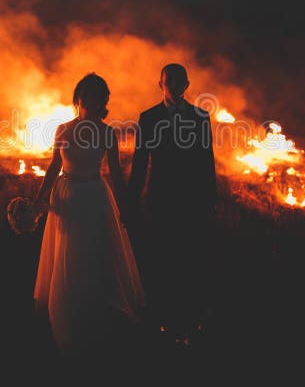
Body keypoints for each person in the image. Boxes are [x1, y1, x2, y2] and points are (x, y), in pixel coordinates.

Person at [32, 73, 145, 355]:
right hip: (67, 194)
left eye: (96, 95)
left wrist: (126, 206)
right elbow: (53, 165)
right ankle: (66, 309)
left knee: (93, 253)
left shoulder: (108, 133)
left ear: (102, 101)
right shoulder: (63, 129)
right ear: (78, 97)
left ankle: (95, 313)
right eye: (85, 93)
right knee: (66, 255)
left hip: (94, 196)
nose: (89, 99)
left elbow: (116, 175)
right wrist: (38, 201)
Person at [128, 63, 218, 346]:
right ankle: (164, 320)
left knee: (191, 259)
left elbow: (207, 161)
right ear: (161, 84)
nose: (175, 87)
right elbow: (140, 161)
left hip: (191, 200)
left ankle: (191, 320)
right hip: (161, 199)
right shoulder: (149, 118)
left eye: (180, 82)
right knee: (163, 258)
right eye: (170, 82)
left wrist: (210, 198)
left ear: (187, 85)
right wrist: (131, 201)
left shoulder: (200, 116)